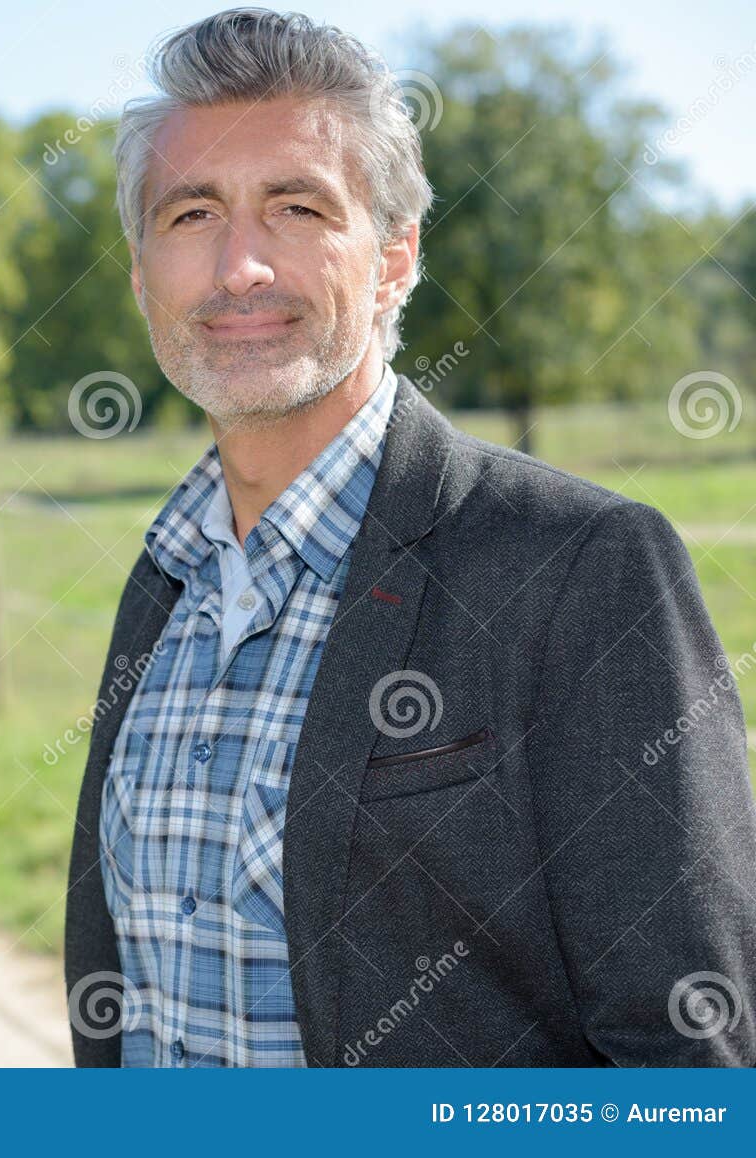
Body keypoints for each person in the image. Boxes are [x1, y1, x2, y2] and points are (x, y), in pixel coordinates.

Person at [64, 6, 756, 1067]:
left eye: (296, 207)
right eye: (191, 214)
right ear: (138, 272)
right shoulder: (166, 580)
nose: (239, 265)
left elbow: (690, 1060)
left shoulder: (579, 569)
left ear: (393, 259)